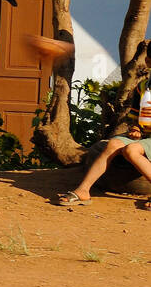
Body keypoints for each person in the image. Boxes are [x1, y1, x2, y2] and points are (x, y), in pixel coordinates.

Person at [58, 80, 151, 208]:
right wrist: (136, 129)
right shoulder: (143, 86)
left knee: (131, 150)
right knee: (113, 144)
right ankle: (83, 191)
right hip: (145, 135)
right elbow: (135, 116)